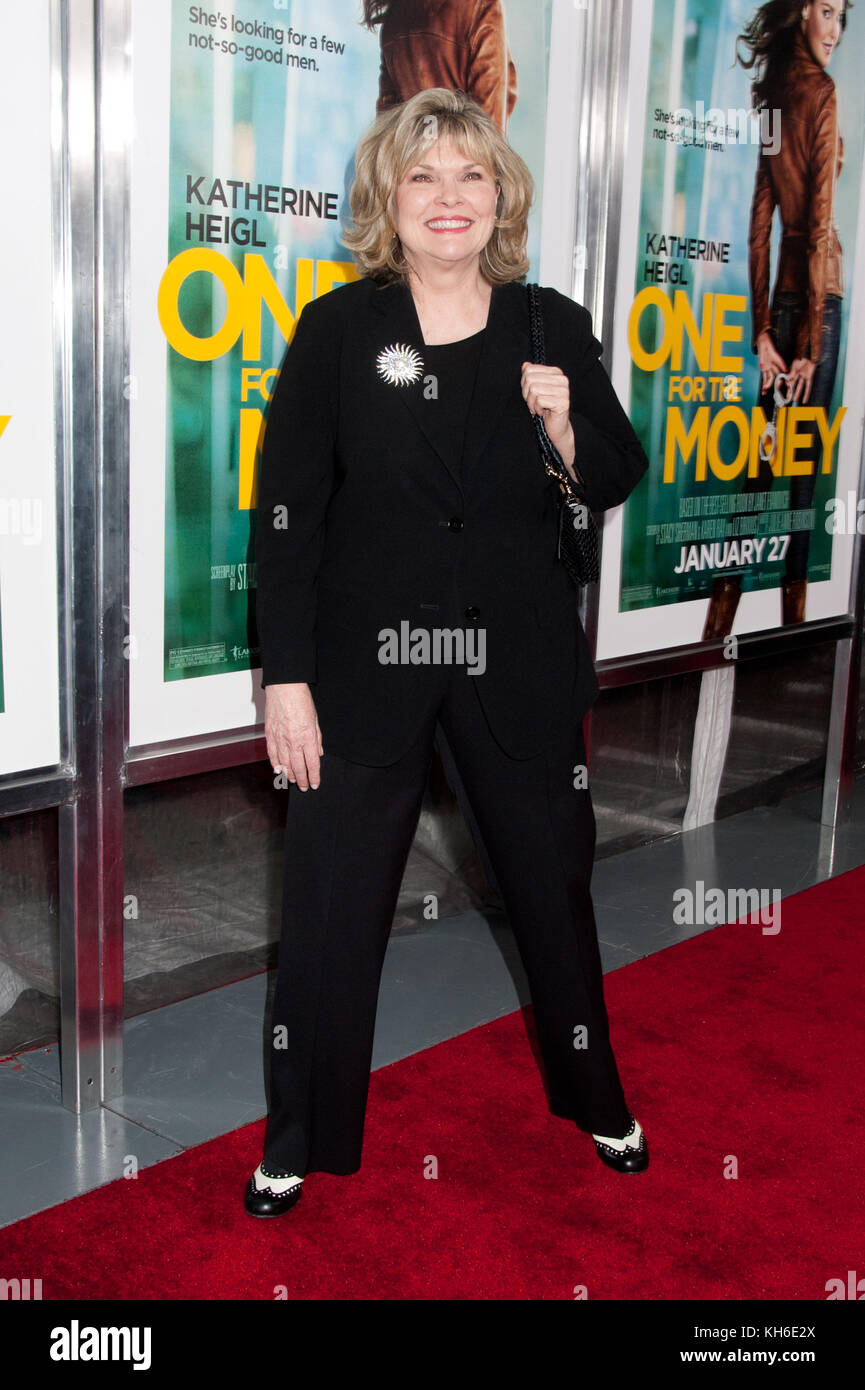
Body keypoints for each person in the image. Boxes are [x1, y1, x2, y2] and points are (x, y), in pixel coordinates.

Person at [246, 87, 650, 1217]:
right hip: (361, 664)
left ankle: (598, 1098)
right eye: (423, 176)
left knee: (551, 891)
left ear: (500, 195)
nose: (447, 196)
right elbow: (287, 519)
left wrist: (566, 426)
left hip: (514, 660)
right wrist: (287, 678)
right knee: (326, 907)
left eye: (470, 175)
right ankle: (298, 1134)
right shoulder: (336, 331)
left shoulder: (548, 325)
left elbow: (618, 472)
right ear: (390, 195)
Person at [703, 0, 848, 639]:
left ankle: (716, 624)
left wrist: (763, 328)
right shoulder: (821, 91)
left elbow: (760, 219)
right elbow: (816, 224)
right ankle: (795, 635)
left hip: (782, 304)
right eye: (827, 12)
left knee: (757, 469)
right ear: (801, 16)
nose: (835, 29)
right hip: (819, 298)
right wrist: (811, 341)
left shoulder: (771, 92)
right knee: (803, 471)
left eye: (842, 16)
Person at [363, 0, 518, 132]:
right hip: (462, 158)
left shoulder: (395, 17)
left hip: (413, 159)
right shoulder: (479, 5)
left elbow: (386, 120)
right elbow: (489, 118)